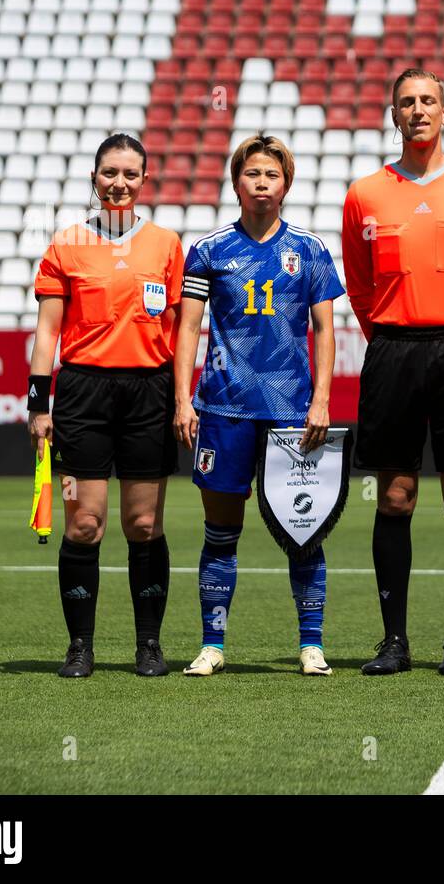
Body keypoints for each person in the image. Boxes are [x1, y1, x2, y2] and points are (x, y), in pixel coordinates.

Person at [341, 69, 444, 675]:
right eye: (406, 102)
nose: (417, 110)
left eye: (427, 101)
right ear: (393, 114)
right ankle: (394, 640)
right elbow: (358, 283)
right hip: (393, 351)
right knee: (396, 495)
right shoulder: (364, 193)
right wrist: (388, 333)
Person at [174, 134, 344, 677]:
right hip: (223, 409)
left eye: (272, 175)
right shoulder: (208, 250)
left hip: (291, 411)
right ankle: (212, 644)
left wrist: (321, 399)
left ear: (286, 184)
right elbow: (188, 327)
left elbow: (324, 328)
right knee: (220, 531)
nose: (262, 183)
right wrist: (183, 399)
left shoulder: (312, 250)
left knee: (304, 530)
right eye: (253, 175)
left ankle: (310, 644)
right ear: (237, 182)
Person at [29, 133, 184, 678]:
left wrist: (181, 398)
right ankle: (80, 646)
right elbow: (48, 332)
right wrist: (37, 404)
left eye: (130, 174)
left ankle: (149, 645)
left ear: (145, 180)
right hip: (83, 396)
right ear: (94, 178)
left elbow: (180, 329)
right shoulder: (67, 244)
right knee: (85, 525)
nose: (119, 183)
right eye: (109, 173)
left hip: (148, 392)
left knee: (143, 524)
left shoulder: (166, 244)